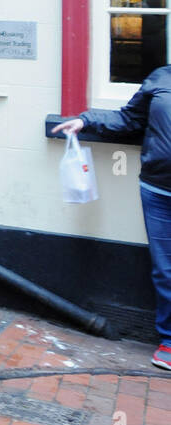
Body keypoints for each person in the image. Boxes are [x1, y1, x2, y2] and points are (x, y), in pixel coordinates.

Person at [53, 72, 171, 372]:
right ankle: (169, 341)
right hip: (158, 190)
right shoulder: (161, 78)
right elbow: (129, 119)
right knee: (165, 270)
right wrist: (85, 120)